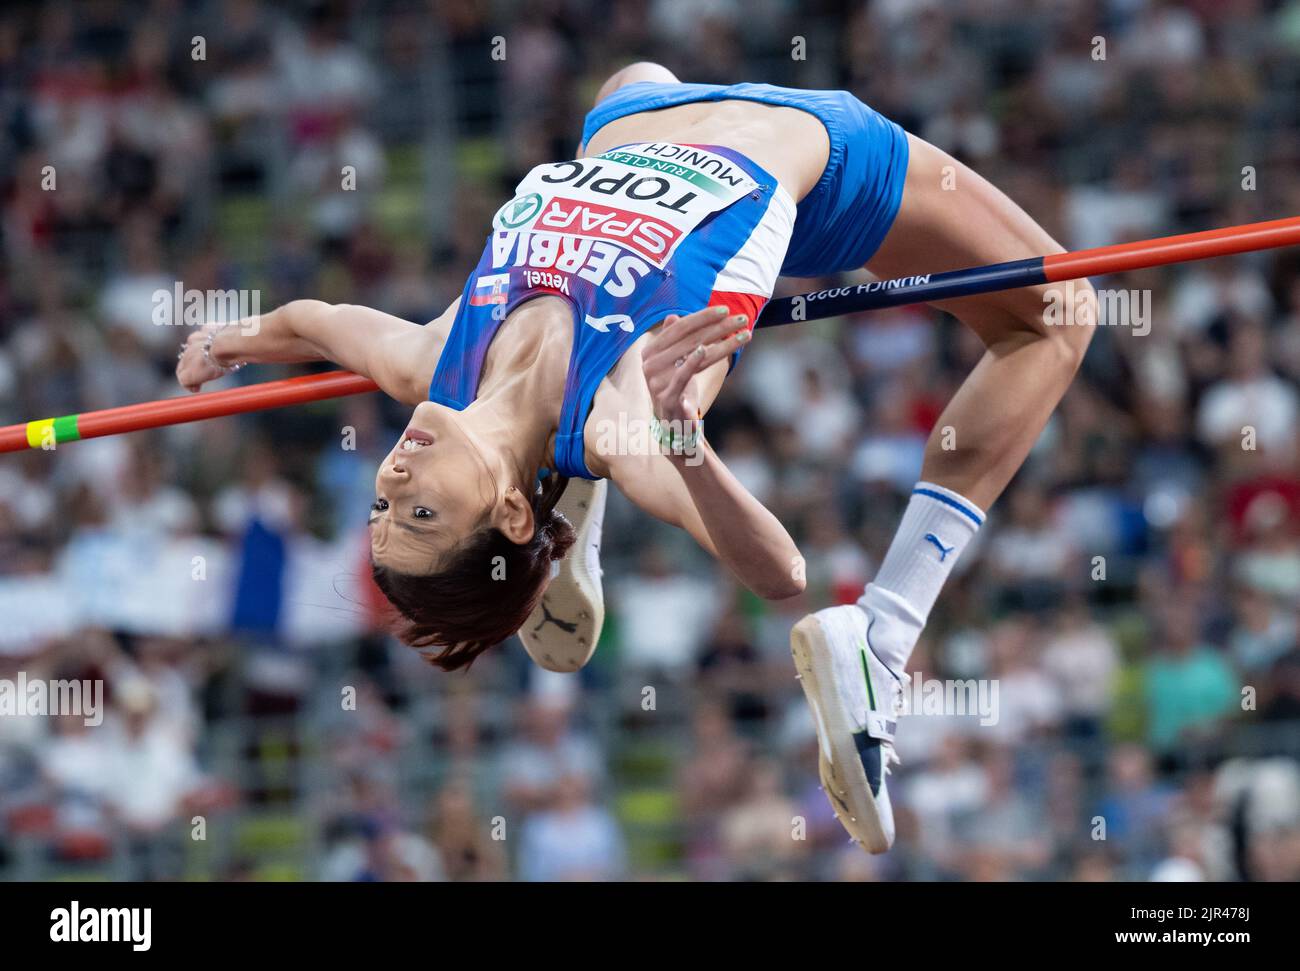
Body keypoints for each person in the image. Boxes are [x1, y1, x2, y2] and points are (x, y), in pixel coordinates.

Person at [177, 63, 1097, 854]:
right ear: (506, 513)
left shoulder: (432, 363)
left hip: (641, 118)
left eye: (382, 507)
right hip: (808, 159)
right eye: (421, 511)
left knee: (630, 75)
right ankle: (883, 639)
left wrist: (227, 341)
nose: (391, 479)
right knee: (1061, 313)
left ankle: (573, 515)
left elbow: (314, 322)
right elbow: (781, 571)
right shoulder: (617, 421)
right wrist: (684, 444)